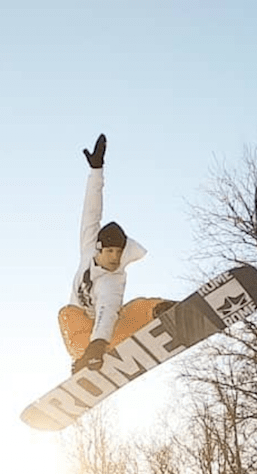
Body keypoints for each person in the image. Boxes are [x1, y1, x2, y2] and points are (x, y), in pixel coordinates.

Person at [58, 134, 173, 373]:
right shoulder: (89, 245)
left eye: (118, 252)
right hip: (83, 326)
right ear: (99, 249)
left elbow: (107, 312)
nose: (114, 258)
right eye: (110, 251)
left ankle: (164, 312)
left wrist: (98, 344)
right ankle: (86, 355)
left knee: (134, 310)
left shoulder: (113, 281)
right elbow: (91, 210)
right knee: (66, 314)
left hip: (107, 332)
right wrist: (96, 170)